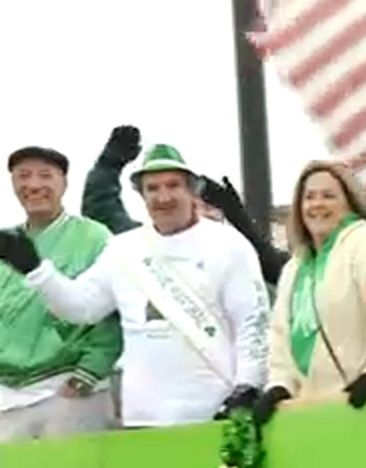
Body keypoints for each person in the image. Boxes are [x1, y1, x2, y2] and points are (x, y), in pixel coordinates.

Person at [0, 144, 270, 428]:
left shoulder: (229, 245)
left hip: (215, 409)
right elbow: (81, 308)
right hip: (144, 414)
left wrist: (248, 385)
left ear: (192, 191)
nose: (163, 197)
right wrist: (37, 270)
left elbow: (252, 322)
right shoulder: (124, 249)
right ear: (141, 195)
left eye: (173, 185)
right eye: (152, 188)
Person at [253, 162, 366, 425]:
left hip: (365, 405)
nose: (317, 204)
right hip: (310, 413)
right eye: (309, 197)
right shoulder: (295, 267)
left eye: (328, 196)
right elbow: (280, 335)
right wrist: (280, 384)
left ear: (349, 203)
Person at [0, 146, 121, 442]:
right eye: (23, 176)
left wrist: (89, 372)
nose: (33, 185)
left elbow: (114, 310)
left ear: (64, 183)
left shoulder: (95, 237)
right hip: (8, 392)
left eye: (45, 176)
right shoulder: (5, 242)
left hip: (70, 388)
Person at [81, 125, 288, 285]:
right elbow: (101, 211)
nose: (164, 197)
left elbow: (280, 272)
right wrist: (108, 166)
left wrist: (243, 224)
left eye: (212, 207)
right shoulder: (140, 246)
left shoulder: (238, 255)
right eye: (154, 188)